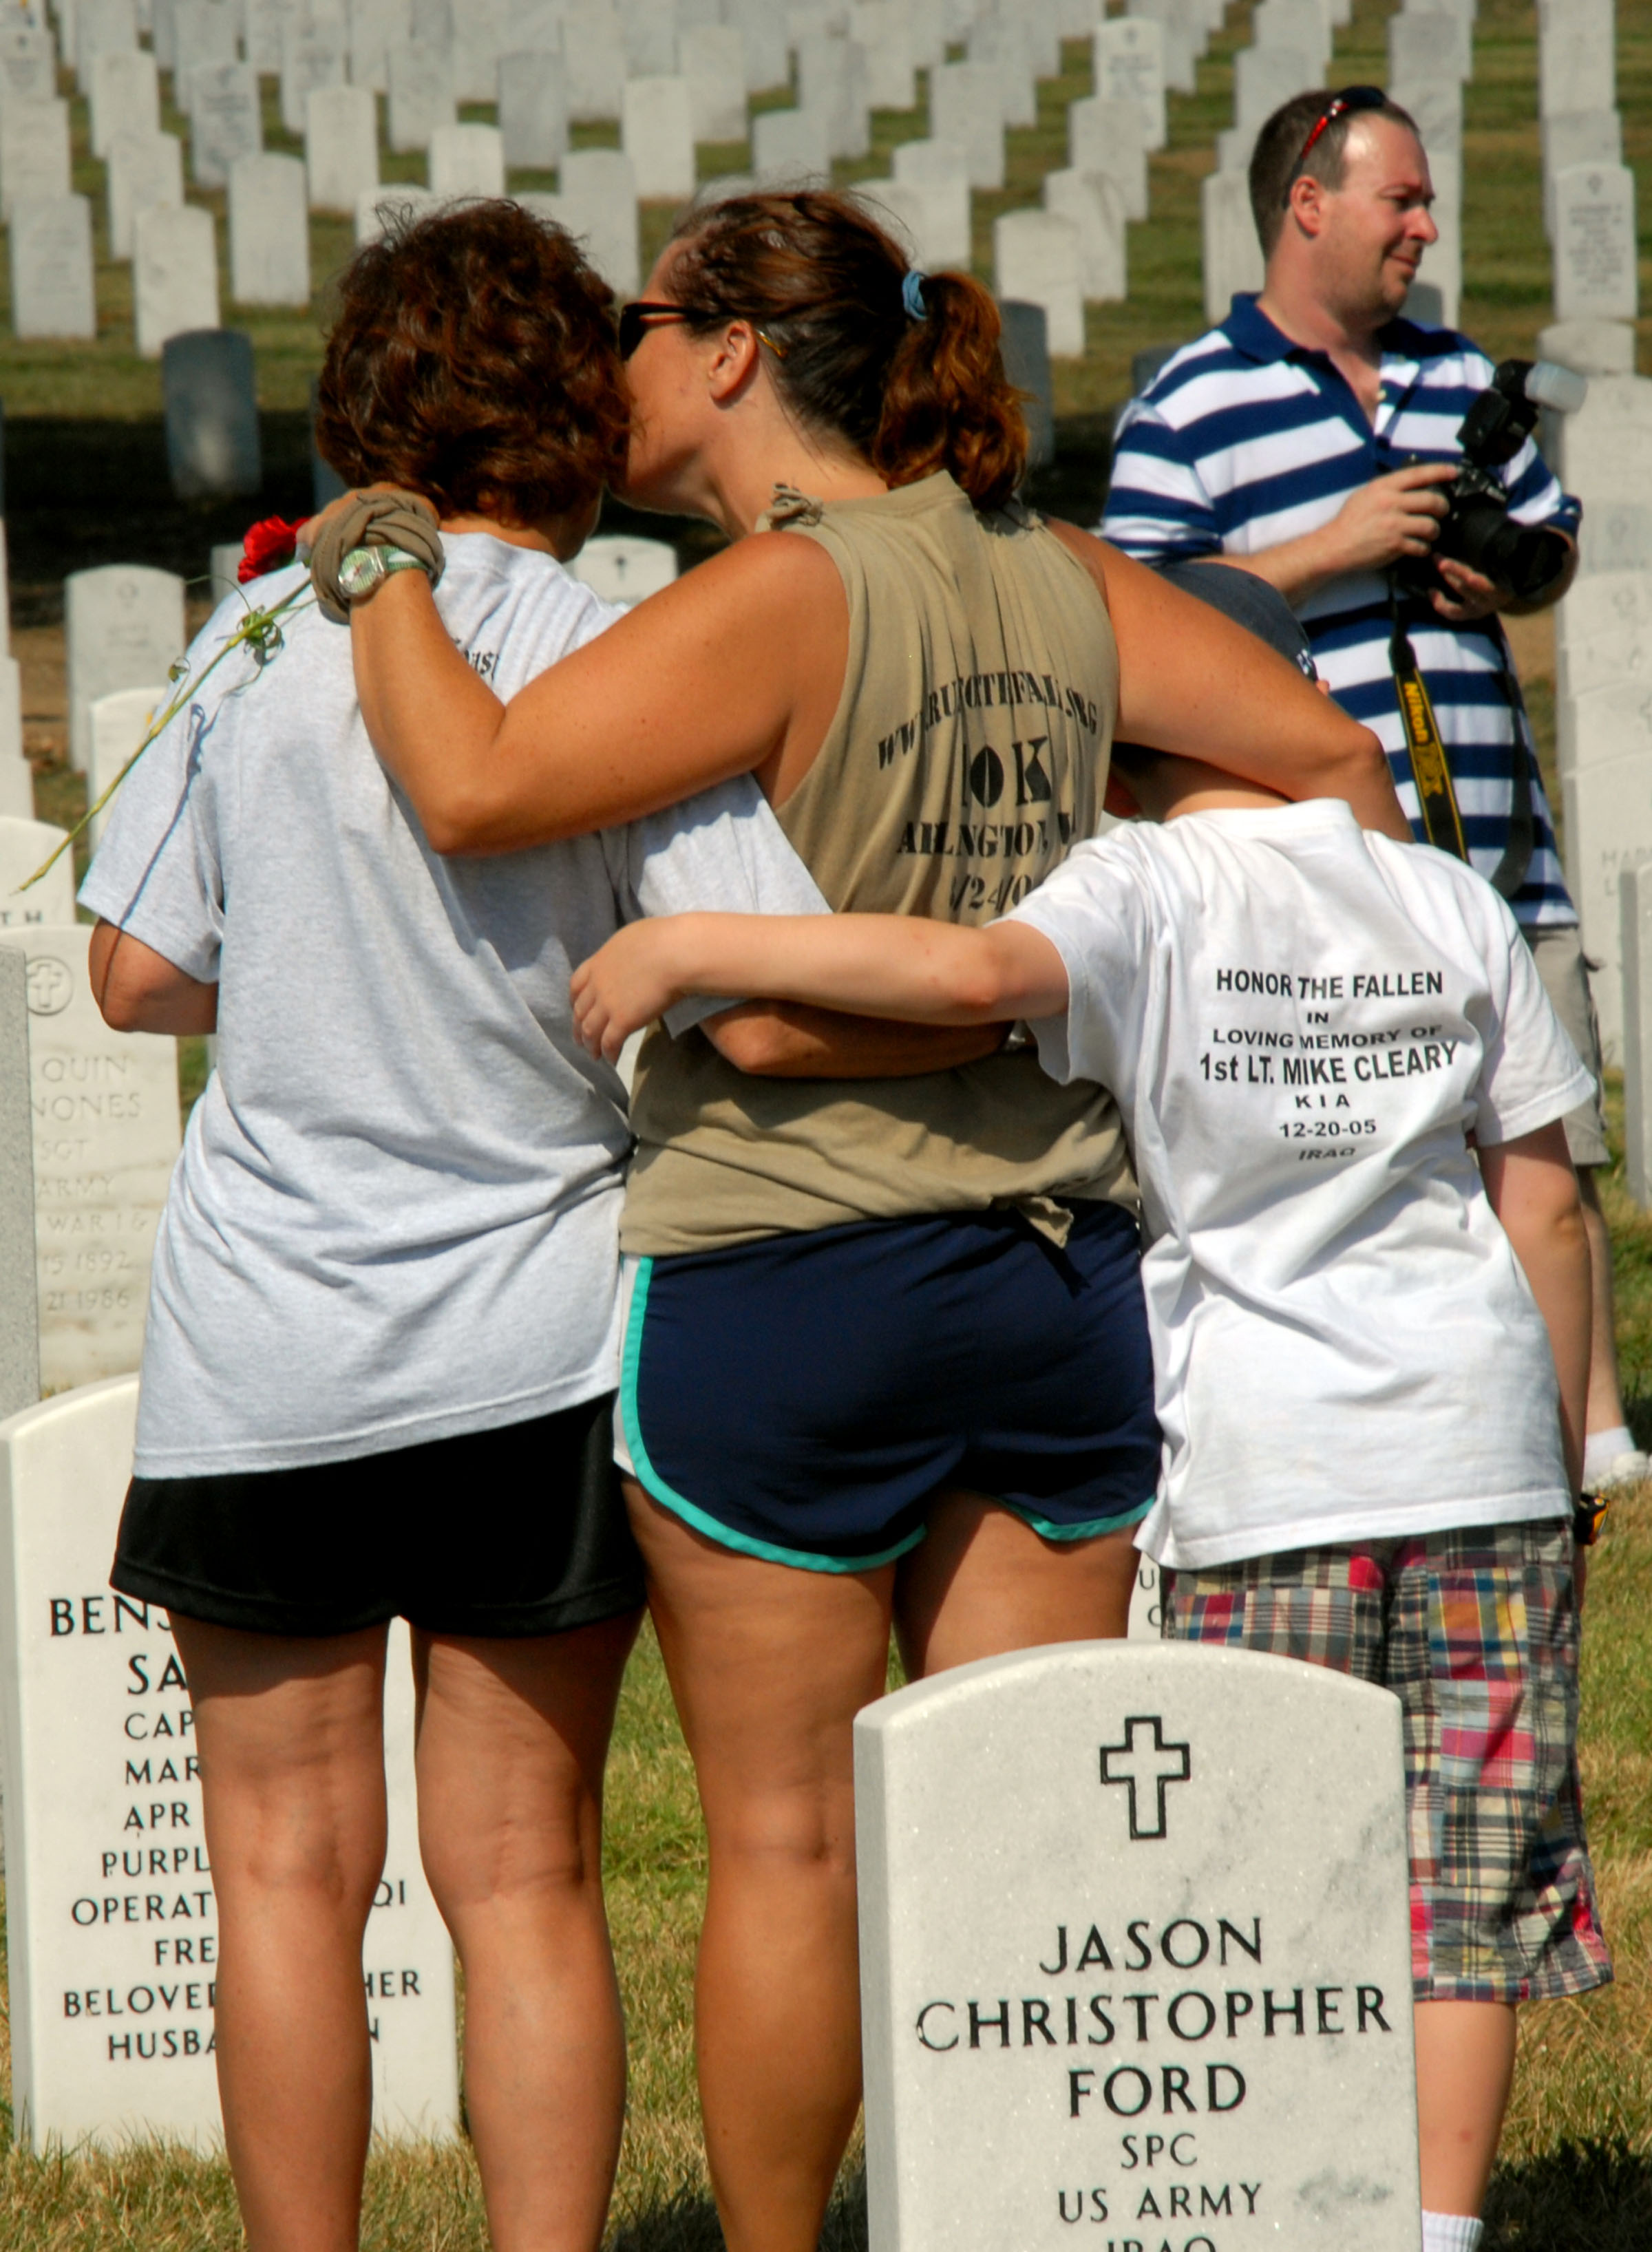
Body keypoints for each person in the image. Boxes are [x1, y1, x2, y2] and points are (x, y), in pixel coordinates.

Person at [305, 188, 1408, 2252]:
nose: (605, 368)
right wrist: (1092, 913)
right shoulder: (1067, 575)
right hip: (1059, 1277)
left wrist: (377, 558)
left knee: (792, 1846)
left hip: (787, 1278)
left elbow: (470, 786)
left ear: (729, 354)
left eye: (639, 323)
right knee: (1012, 1856)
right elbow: (1339, 771)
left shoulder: (781, 600)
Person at [565, 569, 1613, 2252]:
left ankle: (1245, 2196)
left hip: (1272, 1466)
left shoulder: (1142, 883)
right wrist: (1561, 1468)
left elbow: (968, 972)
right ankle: (1430, 2228)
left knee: (1249, 1880)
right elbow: (1549, 1210)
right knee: (1462, 1889)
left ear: (1120, 759)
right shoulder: (1444, 895)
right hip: (1481, 1453)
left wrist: (701, 940)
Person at [81, 202, 829, 2252]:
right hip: (534, 1325)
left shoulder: (257, 644)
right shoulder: (616, 650)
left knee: (281, 1877)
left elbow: (135, 975)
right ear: (577, 407)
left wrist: (320, 975)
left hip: (268, 1340)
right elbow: (750, 971)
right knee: (525, 1879)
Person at [1102, 85, 1647, 1498]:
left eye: (1425, 200)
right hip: (1307, 856)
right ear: (1309, 205)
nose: (1425, 224)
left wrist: (1499, 568)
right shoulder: (1186, 402)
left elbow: (1552, 543)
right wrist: (1324, 549)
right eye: (1400, 198)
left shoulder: (1459, 371)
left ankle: (1589, 1437)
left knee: (1550, 1135)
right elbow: (1126, 614)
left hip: (1493, 837)